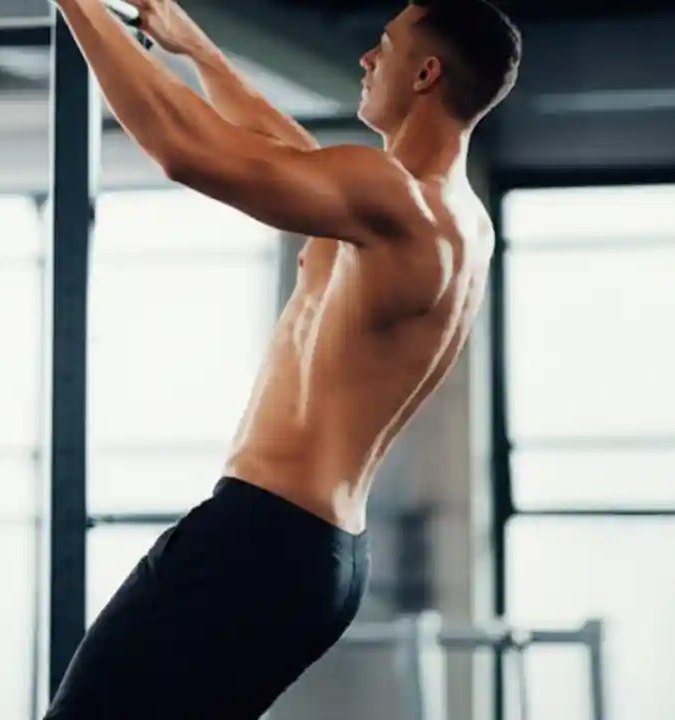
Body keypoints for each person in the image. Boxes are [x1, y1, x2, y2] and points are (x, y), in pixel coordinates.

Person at [44, 0, 522, 716]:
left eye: (383, 45)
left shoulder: (393, 200)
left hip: (260, 540)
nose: (367, 58)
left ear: (425, 74)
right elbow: (283, 147)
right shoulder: (448, 218)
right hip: (314, 553)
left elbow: (184, 149)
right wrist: (196, 49)